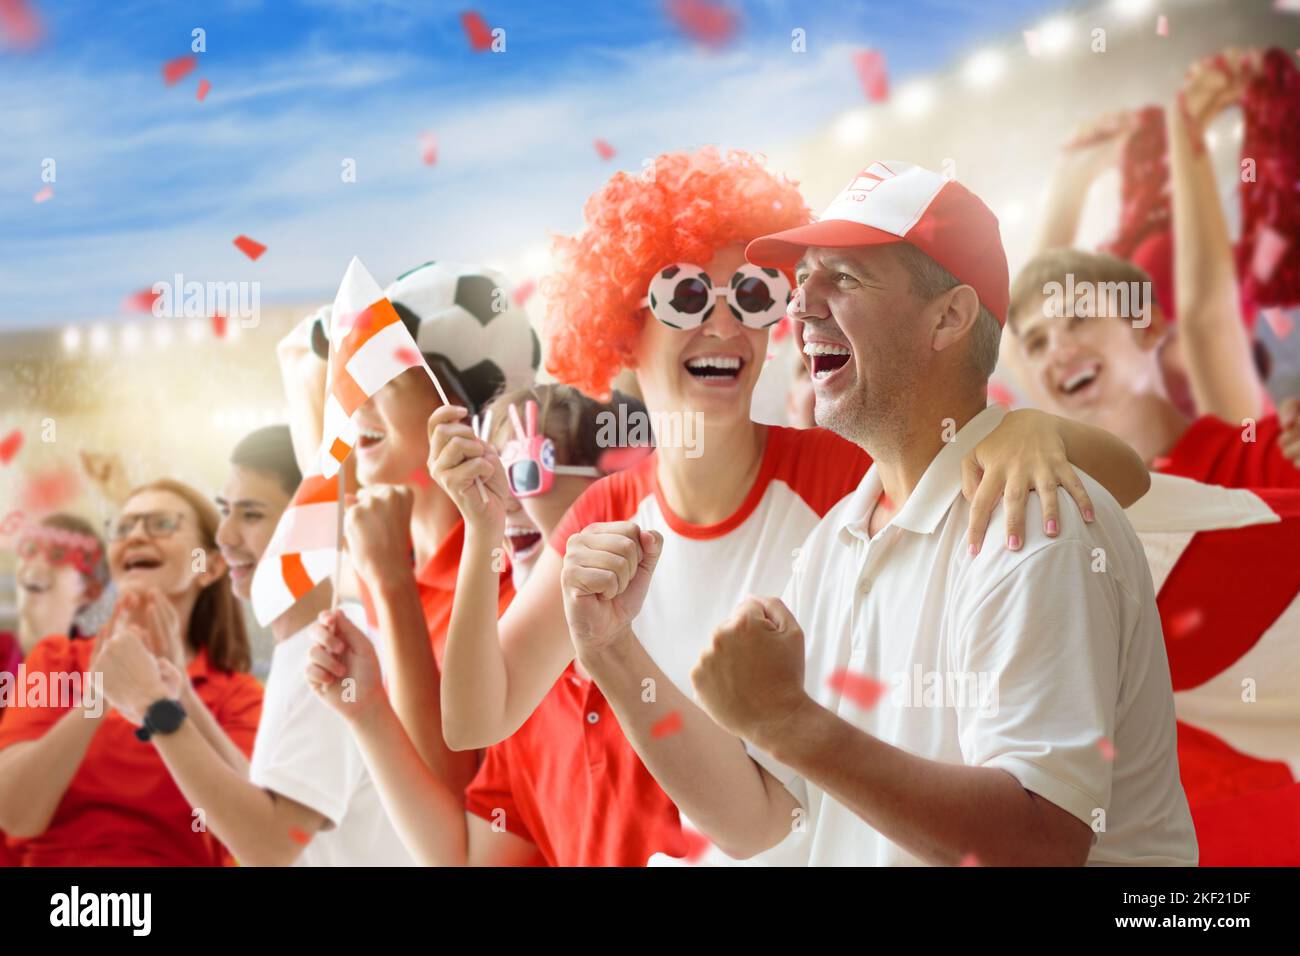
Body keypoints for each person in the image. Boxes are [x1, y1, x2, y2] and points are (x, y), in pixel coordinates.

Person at [313, 148, 1150, 866]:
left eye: (753, 296)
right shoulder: (833, 532)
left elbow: (1118, 481)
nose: (727, 322)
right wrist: (519, 565)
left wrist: (1029, 429)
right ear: (620, 333)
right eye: (684, 298)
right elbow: (485, 718)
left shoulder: (860, 484)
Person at [563, 159, 1194, 866]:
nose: (800, 308)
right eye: (803, 282)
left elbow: (1041, 844)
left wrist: (790, 721)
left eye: (844, 279)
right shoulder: (839, 539)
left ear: (949, 316)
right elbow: (762, 821)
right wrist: (611, 651)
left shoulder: (1033, 519)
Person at [277, 262, 536, 795]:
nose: (354, 404)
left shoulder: (510, 568)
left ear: (456, 407)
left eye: (383, 382)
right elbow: (318, 451)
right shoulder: (388, 539)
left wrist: (391, 583)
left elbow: (448, 786)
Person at [107, 426, 415, 866]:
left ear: (319, 526)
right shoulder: (307, 646)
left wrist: (152, 707)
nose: (225, 536)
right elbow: (266, 802)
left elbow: (272, 844)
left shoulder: (337, 651)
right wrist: (181, 699)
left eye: (251, 515)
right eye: (225, 511)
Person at [0, 480, 262, 866]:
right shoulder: (54, 661)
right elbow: (16, 816)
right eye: (124, 528)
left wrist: (182, 695)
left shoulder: (238, 695)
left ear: (208, 566)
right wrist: (99, 696)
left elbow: (258, 832)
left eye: (161, 524)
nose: (136, 535)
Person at [1008, 248, 1300, 486]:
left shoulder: (1277, 454)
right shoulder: (1061, 522)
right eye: (1037, 343)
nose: (1057, 353)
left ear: (1148, 328)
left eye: (1080, 318)